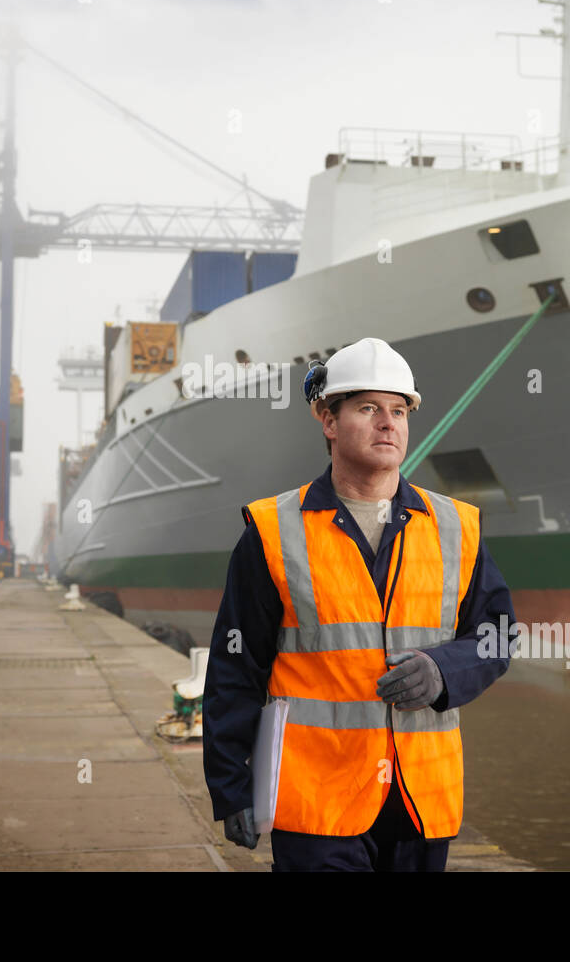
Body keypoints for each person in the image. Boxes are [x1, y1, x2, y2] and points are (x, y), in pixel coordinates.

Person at [202, 336, 516, 872]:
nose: (388, 423)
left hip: (420, 802)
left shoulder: (454, 527)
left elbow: (498, 633)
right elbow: (236, 666)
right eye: (368, 408)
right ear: (328, 420)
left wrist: (444, 671)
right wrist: (231, 785)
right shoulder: (274, 531)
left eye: (398, 410)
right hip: (318, 804)